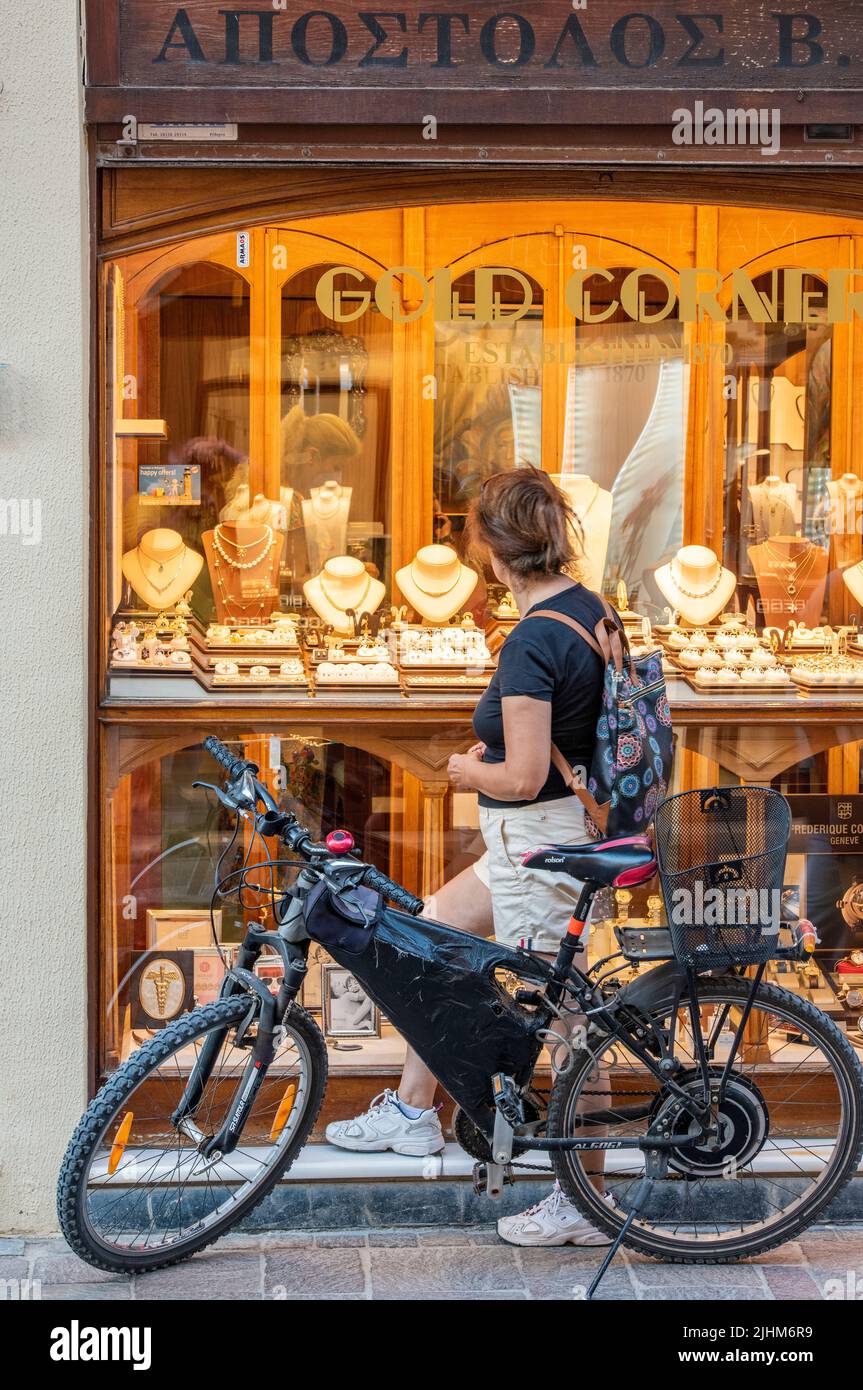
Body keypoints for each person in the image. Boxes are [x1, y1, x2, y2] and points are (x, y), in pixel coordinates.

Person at [326, 466, 614, 1247]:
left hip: (537, 843)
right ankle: (415, 1111)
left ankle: (583, 1196)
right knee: (433, 933)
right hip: (549, 835)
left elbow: (518, 776)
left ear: (488, 548)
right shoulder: (585, 608)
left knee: (564, 1016)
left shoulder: (532, 642)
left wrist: (462, 770)